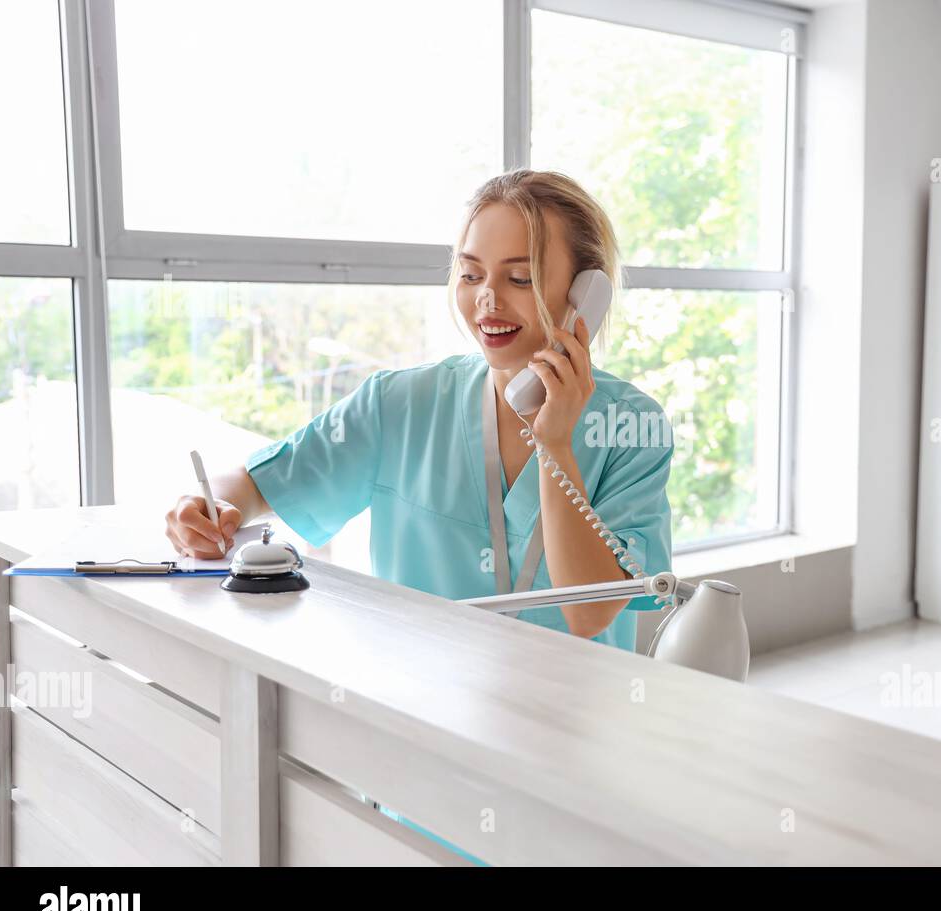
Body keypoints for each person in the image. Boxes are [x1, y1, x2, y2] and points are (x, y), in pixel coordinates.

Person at [164, 169, 674, 653]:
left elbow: (591, 612)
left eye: (520, 279)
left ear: (586, 293)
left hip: (571, 722)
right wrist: (207, 509)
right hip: (421, 704)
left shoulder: (631, 426)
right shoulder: (400, 403)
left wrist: (556, 443)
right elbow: (258, 484)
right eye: (472, 274)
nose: (487, 299)